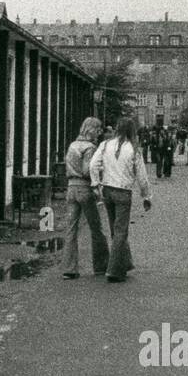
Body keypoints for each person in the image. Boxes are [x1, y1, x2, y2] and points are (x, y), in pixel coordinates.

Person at [89, 117, 152, 283]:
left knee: (114, 229)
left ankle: (124, 263)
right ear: (132, 130)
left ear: (117, 128)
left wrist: (96, 184)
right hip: (123, 192)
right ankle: (114, 270)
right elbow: (142, 176)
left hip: (107, 190)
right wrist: (146, 196)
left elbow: (93, 164)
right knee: (121, 231)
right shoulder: (134, 149)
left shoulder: (105, 145)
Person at [60, 116, 110, 279]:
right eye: (98, 129)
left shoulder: (72, 145)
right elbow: (87, 170)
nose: (99, 132)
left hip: (71, 188)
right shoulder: (90, 148)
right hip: (84, 188)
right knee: (96, 228)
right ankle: (101, 266)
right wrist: (101, 170)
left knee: (71, 229)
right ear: (91, 130)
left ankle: (69, 268)